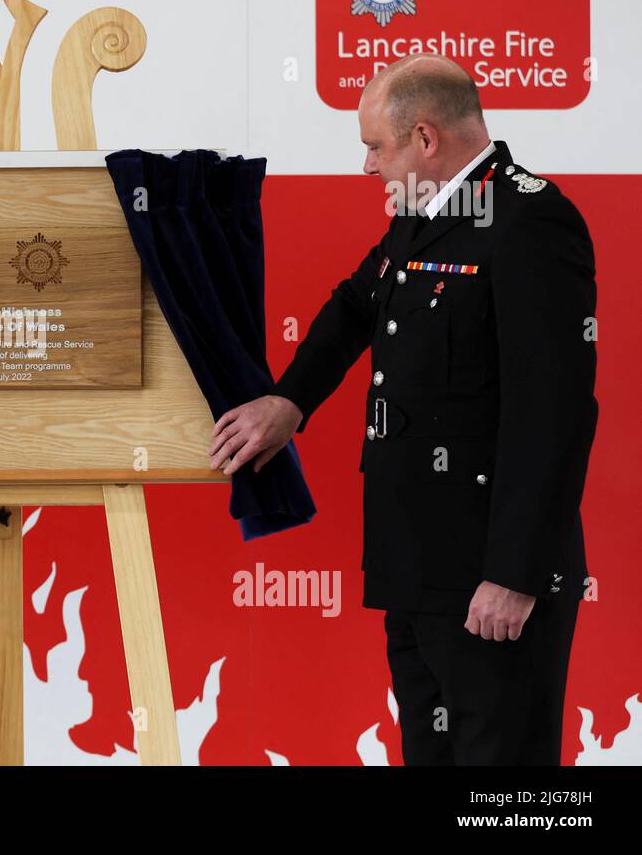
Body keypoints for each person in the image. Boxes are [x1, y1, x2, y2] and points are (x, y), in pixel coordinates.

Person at [208, 54, 597, 765]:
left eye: (374, 147)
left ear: (424, 138)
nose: (366, 167)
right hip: (417, 563)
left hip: (490, 576)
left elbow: (556, 414)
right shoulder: (423, 214)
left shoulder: (530, 220)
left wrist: (513, 574)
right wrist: (290, 400)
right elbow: (357, 305)